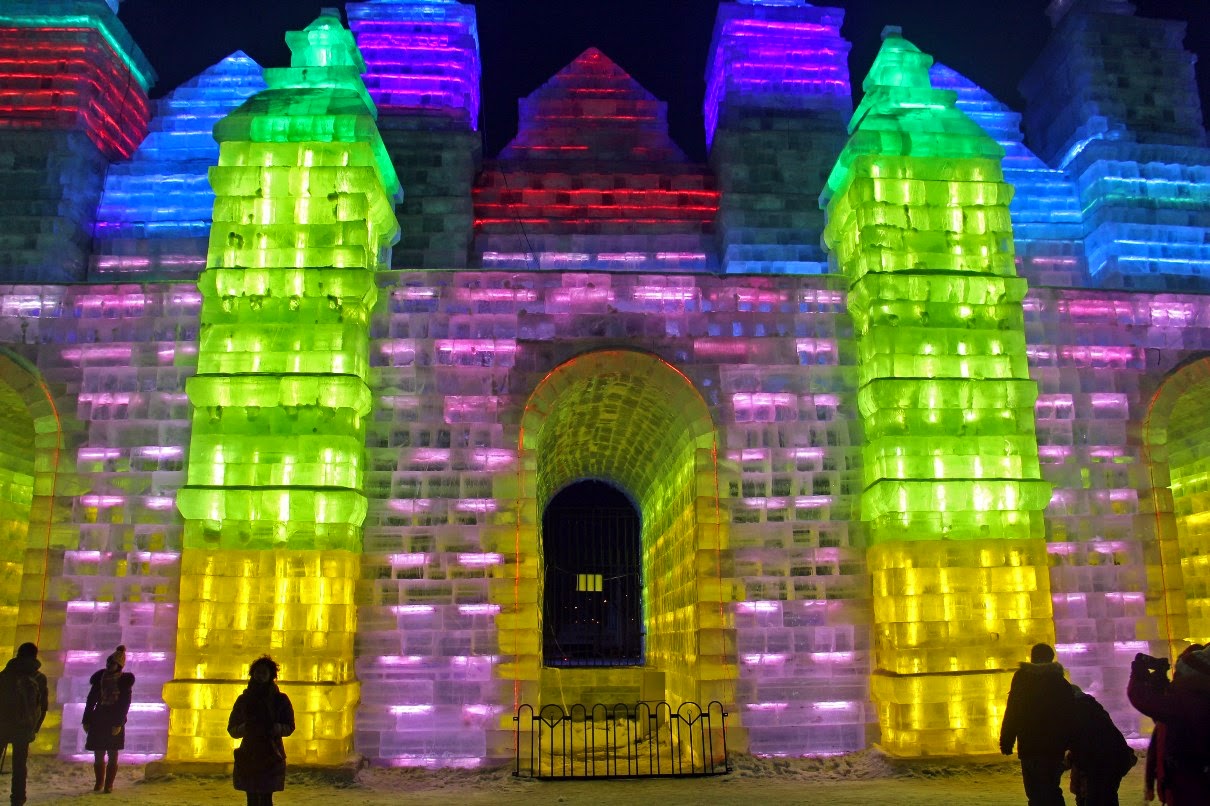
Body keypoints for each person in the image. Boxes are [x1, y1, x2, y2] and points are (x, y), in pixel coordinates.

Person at [1128, 646, 1210, 805]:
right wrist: (1159, 678)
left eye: (1180, 671)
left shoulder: (1193, 701)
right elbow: (1165, 711)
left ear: (1192, 675)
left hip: (1191, 787)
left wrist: (1138, 674)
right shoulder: (1198, 698)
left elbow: (1145, 700)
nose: (1177, 676)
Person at [1000, 642, 1076, 806]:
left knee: (1035, 792)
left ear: (1032, 658)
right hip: (1054, 747)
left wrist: (1007, 740)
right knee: (1051, 788)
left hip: (1030, 745)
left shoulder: (1022, 679)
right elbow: (1069, 716)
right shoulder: (1060, 683)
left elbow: (1013, 709)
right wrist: (1071, 743)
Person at [228, 656, 295, 806]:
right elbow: (232, 728)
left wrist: (276, 728)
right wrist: (244, 728)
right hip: (249, 753)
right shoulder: (244, 700)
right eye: (258, 672)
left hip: (271, 753)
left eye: (264, 672)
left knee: (266, 798)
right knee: (251, 798)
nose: (261, 675)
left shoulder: (280, 700)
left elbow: (289, 726)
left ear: (271, 675)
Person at [1066, 683, 1136, 806]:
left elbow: (1083, 745)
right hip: (1110, 764)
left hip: (1099, 767)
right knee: (1106, 796)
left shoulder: (1078, 712)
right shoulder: (1093, 709)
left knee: (1097, 797)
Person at [0, 642, 49, 806]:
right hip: (24, 727)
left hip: (3, 724)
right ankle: (18, 799)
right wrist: (34, 729)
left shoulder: (6, 674)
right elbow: (43, 707)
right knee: (19, 766)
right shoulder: (39, 678)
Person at [82, 645, 134, 793]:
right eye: (108, 663)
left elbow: (125, 704)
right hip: (99, 717)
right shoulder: (100, 679)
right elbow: (91, 700)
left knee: (112, 752)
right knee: (98, 751)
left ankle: (108, 784)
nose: (109, 666)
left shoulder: (124, 682)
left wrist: (118, 722)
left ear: (119, 665)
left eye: (112, 663)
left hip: (114, 718)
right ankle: (99, 782)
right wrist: (86, 719)